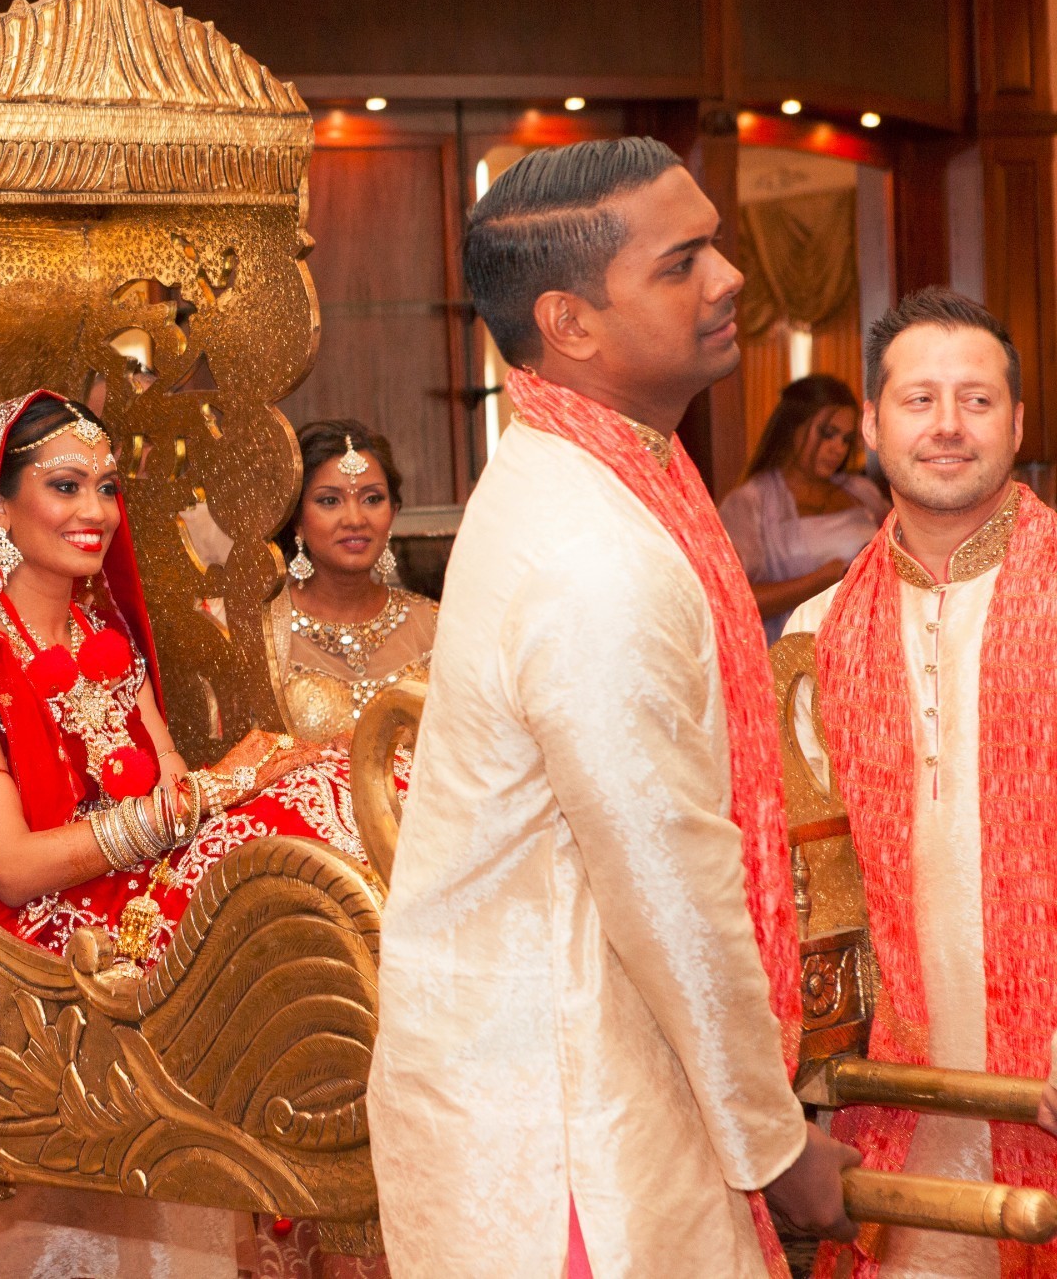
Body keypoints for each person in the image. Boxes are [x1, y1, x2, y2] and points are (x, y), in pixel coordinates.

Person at [367, 136, 859, 1278]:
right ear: (569, 322)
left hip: (576, 1071)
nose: (729, 277)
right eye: (681, 261)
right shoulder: (591, 550)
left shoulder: (589, 468)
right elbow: (666, 878)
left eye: (716, 246)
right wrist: (772, 1142)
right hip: (567, 1121)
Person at [0, 390, 361, 1277]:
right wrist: (216, 794)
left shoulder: (109, 640)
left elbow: (176, 801)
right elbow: (14, 865)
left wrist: (231, 791)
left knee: (324, 792)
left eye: (106, 488)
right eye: (65, 486)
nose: (95, 512)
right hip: (26, 958)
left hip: (134, 914)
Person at [784, 288, 1057, 1279]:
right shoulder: (817, 634)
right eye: (917, 399)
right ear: (869, 423)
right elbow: (804, 888)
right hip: (901, 1096)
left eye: (975, 400)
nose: (945, 425)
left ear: (1017, 424)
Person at [271, 419, 436, 747]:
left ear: (394, 512)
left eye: (372, 499)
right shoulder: (262, 631)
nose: (355, 519)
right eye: (330, 501)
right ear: (296, 521)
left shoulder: (434, 625)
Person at [719, 374, 889, 640]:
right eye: (828, 434)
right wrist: (820, 580)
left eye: (845, 439)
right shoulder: (750, 502)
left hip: (869, 639)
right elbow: (732, 600)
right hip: (798, 650)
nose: (838, 448)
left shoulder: (861, 492)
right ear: (793, 426)